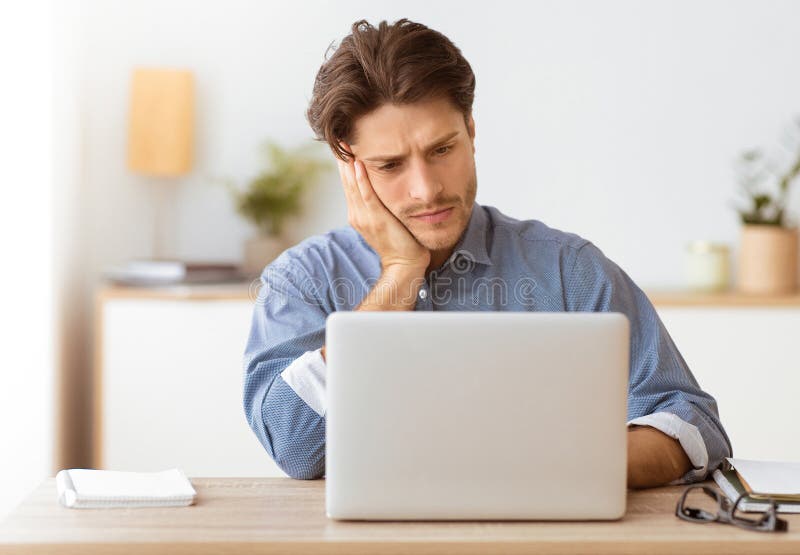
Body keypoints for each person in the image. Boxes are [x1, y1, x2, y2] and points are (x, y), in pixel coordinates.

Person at [243, 18, 732, 486]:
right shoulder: (302, 280)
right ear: (349, 165)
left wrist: (561, 469)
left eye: (442, 149)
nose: (426, 189)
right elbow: (295, 447)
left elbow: (691, 424)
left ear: (471, 133)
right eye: (390, 165)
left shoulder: (569, 270)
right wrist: (399, 276)